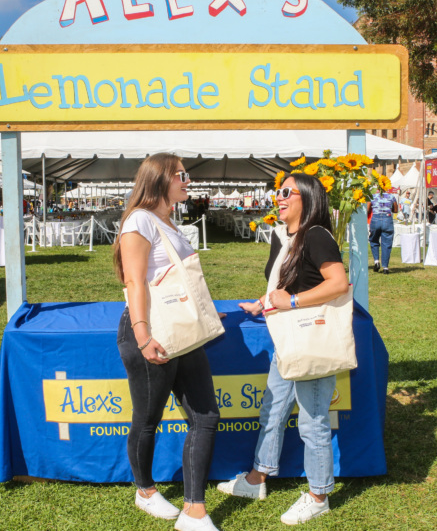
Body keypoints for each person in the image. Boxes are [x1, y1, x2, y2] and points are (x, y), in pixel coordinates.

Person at [219, 173, 349, 525]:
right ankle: (257, 478)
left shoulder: (317, 235)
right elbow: (288, 281)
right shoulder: (285, 236)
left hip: (313, 341)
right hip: (288, 339)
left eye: (287, 192)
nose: (279, 197)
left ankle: (318, 495)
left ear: (306, 197)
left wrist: (290, 301)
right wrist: (264, 302)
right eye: (278, 191)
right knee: (273, 409)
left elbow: (338, 283)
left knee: (312, 423)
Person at [113, 153, 222, 531]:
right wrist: (143, 335)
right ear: (160, 178)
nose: (187, 181)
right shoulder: (139, 220)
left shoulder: (168, 221)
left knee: (206, 416)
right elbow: (135, 281)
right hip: (149, 332)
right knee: (147, 419)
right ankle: (144, 491)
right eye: (182, 175)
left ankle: (194, 510)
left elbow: (177, 284)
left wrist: (203, 312)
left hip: (183, 333)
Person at [368, 187, 399, 274]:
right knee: (387, 243)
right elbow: (396, 210)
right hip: (387, 219)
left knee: (374, 240)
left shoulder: (372, 196)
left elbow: (367, 209)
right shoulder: (391, 196)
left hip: (375, 219)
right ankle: (385, 267)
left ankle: (376, 261)